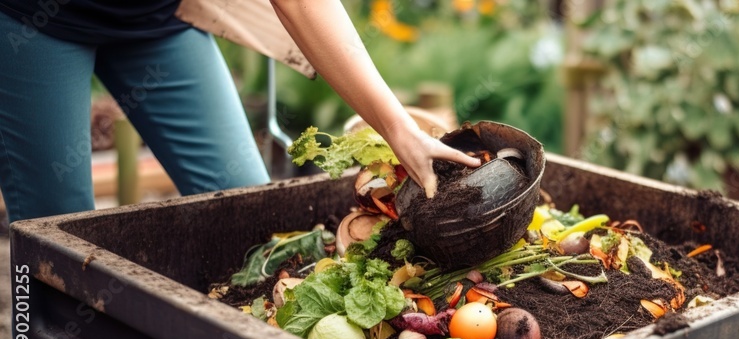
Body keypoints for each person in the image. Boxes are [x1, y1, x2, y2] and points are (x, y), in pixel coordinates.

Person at [0, 0, 476, 224]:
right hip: (34, 23)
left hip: (154, 20)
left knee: (250, 213)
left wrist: (401, 130)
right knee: (54, 233)